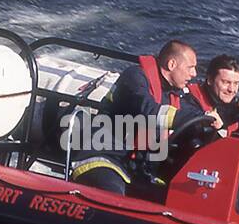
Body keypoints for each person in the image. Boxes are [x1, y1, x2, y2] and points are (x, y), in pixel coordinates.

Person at [70, 40, 221, 195]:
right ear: (172, 65)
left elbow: (189, 117)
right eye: (190, 68)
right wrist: (196, 116)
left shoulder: (173, 94)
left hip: (136, 168)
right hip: (103, 158)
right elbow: (147, 110)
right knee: (113, 198)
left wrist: (209, 125)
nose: (194, 74)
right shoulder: (134, 78)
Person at [200, 54, 239, 133]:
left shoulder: (228, 103)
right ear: (210, 80)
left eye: (236, 83)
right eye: (226, 82)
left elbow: (226, 116)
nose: (232, 89)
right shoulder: (191, 105)